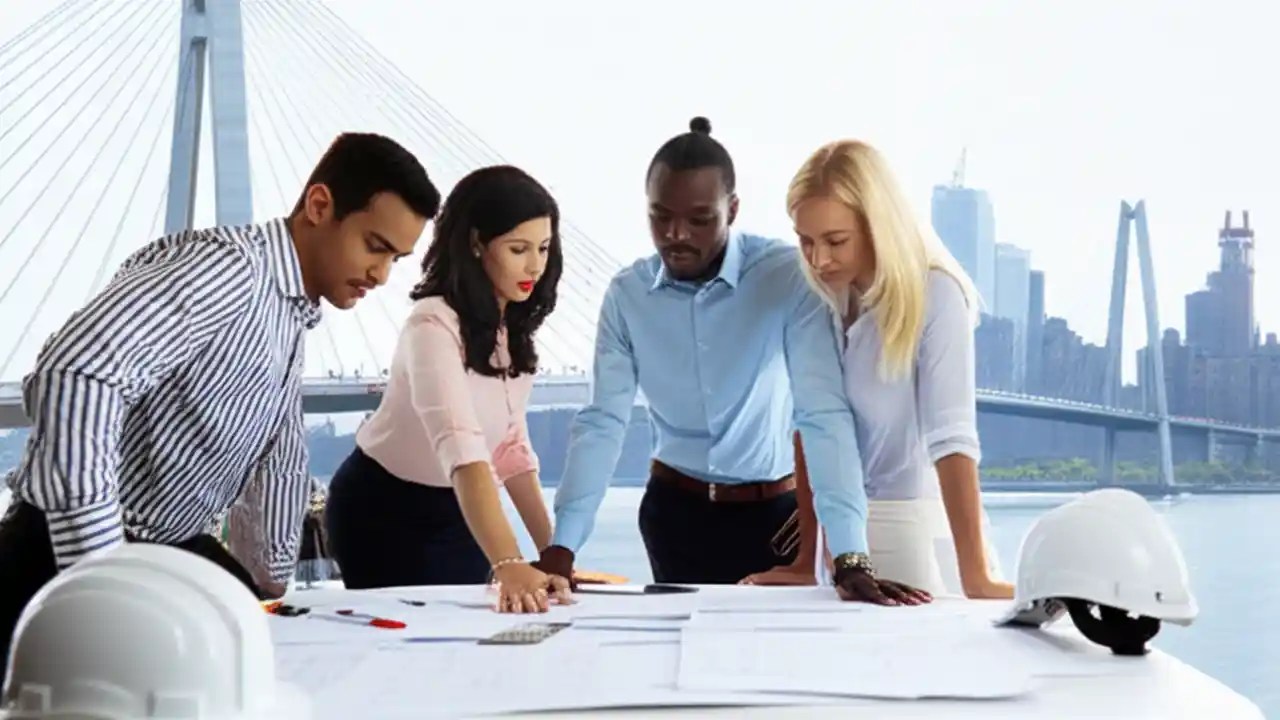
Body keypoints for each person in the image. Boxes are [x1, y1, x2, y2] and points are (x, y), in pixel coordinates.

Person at [0, 132, 440, 662]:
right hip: (60, 562)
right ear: (320, 206)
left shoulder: (288, 311)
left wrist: (269, 577)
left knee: (272, 665)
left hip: (169, 553)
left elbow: (276, 454)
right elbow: (78, 372)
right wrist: (100, 576)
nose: (382, 274)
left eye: (396, 258)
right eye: (375, 247)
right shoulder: (228, 269)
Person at [533, 117, 929, 605]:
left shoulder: (785, 277)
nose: (676, 234)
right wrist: (562, 547)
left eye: (699, 219)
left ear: (732, 209)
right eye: (661, 216)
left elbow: (821, 413)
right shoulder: (627, 296)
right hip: (673, 516)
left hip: (774, 520)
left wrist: (850, 554)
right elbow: (602, 424)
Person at [740, 139, 1012, 599]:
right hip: (844, 544)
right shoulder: (820, 303)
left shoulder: (936, 297)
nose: (818, 260)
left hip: (918, 533)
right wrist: (806, 559)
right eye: (805, 241)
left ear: (877, 225)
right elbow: (813, 429)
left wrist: (977, 577)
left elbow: (953, 438)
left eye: (835, 241)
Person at [323, 165, 573, 614]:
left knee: (471, 637)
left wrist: (553, 551)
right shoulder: (432, 323)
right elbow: (462, 446)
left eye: (543, 248)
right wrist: (509, 560)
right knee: (400, 643)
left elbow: (510, 450)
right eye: (518, 249)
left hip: (462, 512)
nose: (535, 265)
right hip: (381, 510)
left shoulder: (513, 334)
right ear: (476, 243)